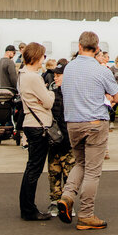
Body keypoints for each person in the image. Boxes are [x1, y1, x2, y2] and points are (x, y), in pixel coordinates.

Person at [57, 30, 118, 230]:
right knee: (93, 171)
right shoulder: (102, 70)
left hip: (73, 122)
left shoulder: (68, 69)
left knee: (80, 162)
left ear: (79, 46)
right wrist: (109, 98)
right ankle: (86, 214)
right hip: (94, 122)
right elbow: (116, 96)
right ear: (97, 48)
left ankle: (67, 196)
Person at [16, 42, 54, 221]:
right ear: (37, 57)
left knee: (31, 167)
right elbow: (48, 102)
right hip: (40, 125)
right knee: (34, 169)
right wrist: (50, 94)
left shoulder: (22, 75)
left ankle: (26, 206)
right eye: (43, 56)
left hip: (30, 123)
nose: (43, 60)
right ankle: (29, 209)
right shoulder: (34, 77)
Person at [45, 59, 75, 217]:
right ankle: (55, 201)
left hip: (69, 143)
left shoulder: (73, 95)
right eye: (54, 75)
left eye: (58, 75)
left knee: (69, 175)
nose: (55, 78)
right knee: (53, 173)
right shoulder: (52, 95)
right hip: (54, 142)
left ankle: (68, 201)